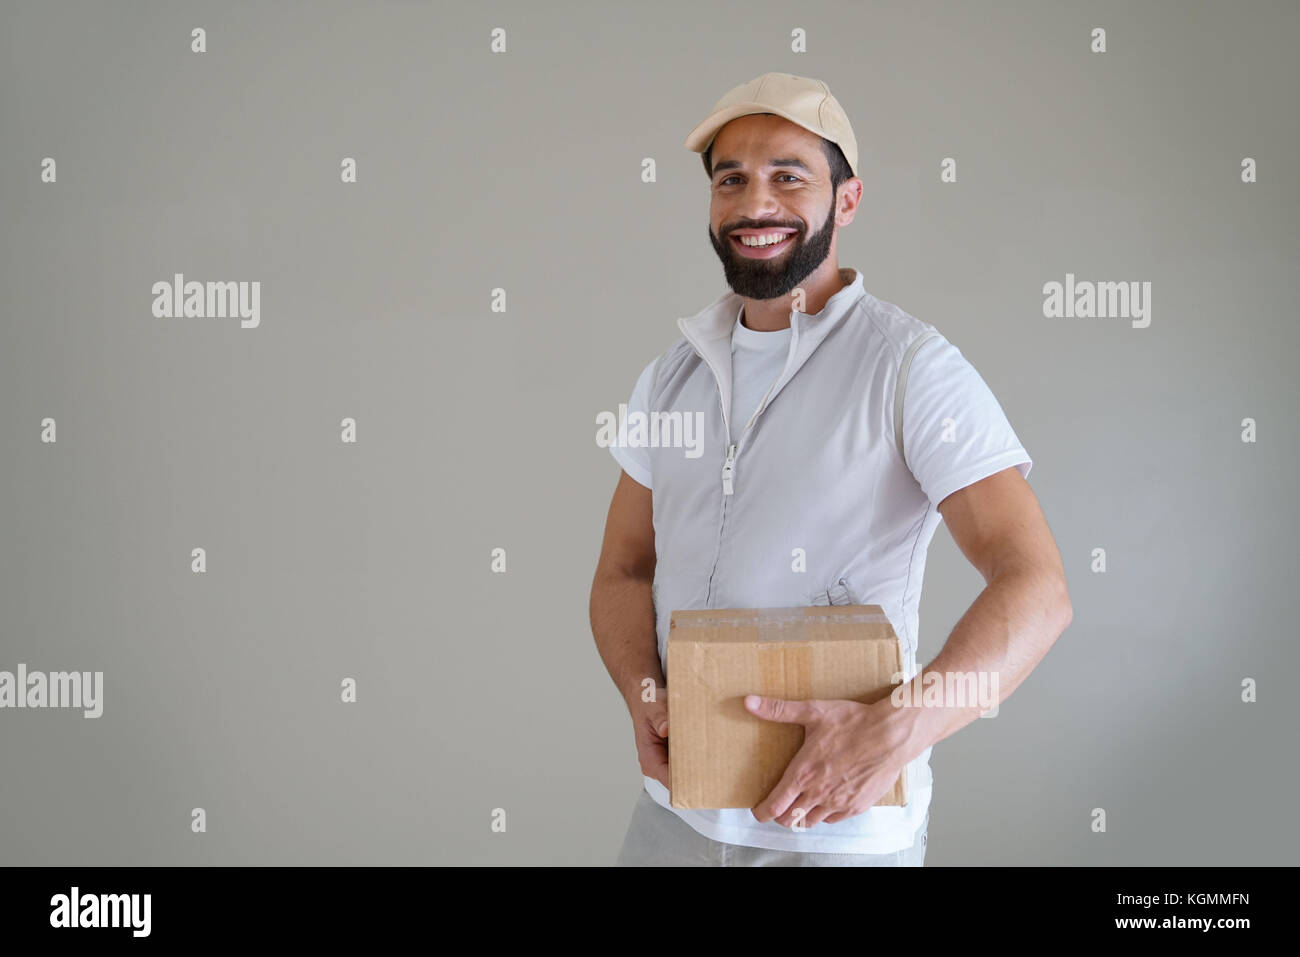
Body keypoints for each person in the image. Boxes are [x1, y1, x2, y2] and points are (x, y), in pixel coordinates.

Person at [589, 72, 1073, 866]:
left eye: (789, 175)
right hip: (674, 821)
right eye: (731, 179)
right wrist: (643, 692)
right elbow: (621, 570)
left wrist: (898, 729)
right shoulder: (671, 376)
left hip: (839, 835)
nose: (755, 204)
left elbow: (1039, 589)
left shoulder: (910, 366)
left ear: (847, 200)